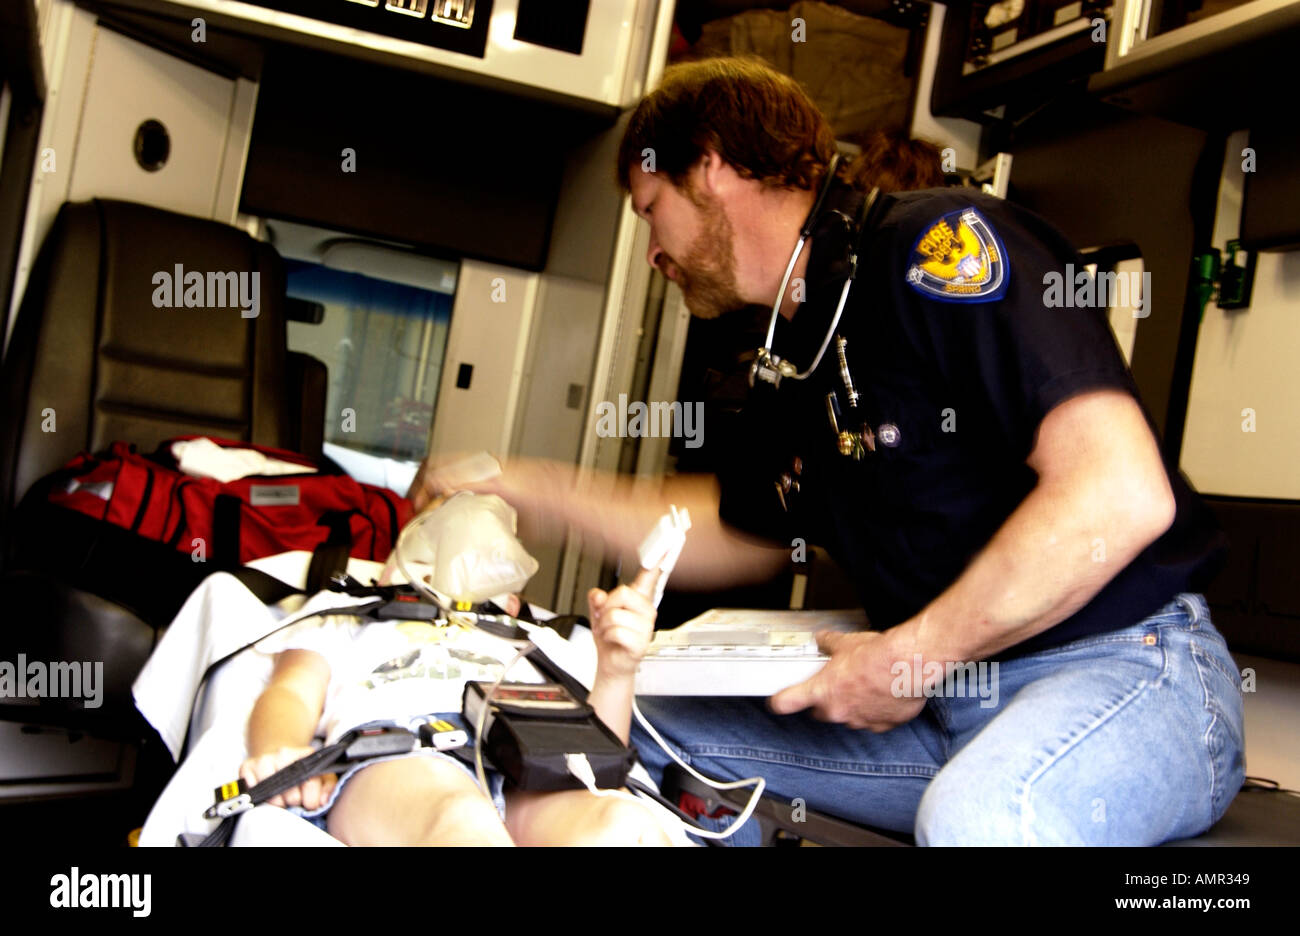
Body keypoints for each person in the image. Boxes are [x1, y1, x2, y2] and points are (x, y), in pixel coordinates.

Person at [409, 57, 1244, 845]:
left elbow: (1120, 492)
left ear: (710, 166)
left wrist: (914, 652)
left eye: (650, 206)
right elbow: (722, 529)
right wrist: (513, 481)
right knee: (628, 721)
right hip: (946, 700)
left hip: (1126, 665)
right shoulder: (797, 351)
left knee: (986, 817)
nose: (653, 250)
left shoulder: (940, 246)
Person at [238, 569, 676, 846]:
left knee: (625, 826)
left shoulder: (535, 639)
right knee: (462, 823)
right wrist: (283, 751)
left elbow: (596, 757)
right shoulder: (349, 612)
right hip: (400, 749)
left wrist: (616, 670)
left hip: (524, 756)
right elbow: (292, 690)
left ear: (511, 600)